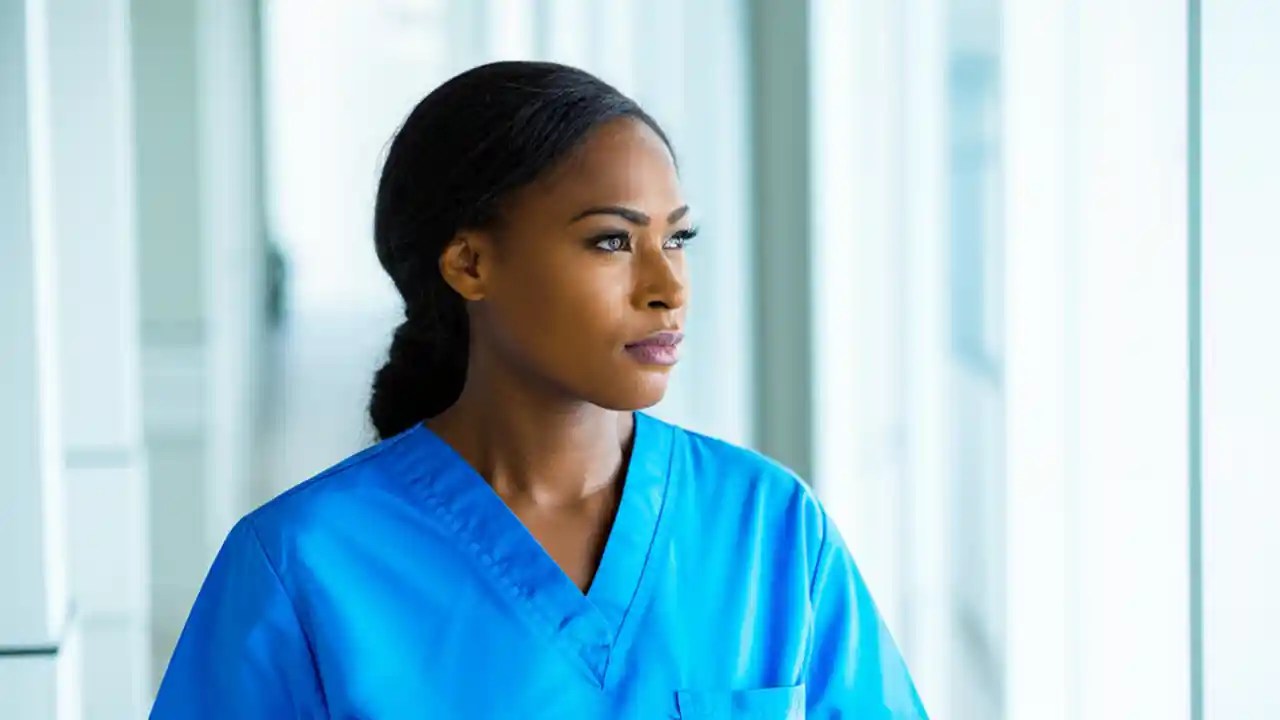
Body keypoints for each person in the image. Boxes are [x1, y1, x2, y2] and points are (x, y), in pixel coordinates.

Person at [151, 61, 926, 719]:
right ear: (470, 265)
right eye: (612, 241)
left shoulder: (770, 528)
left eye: (677, 239)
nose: (668, 286)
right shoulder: (301, 564)